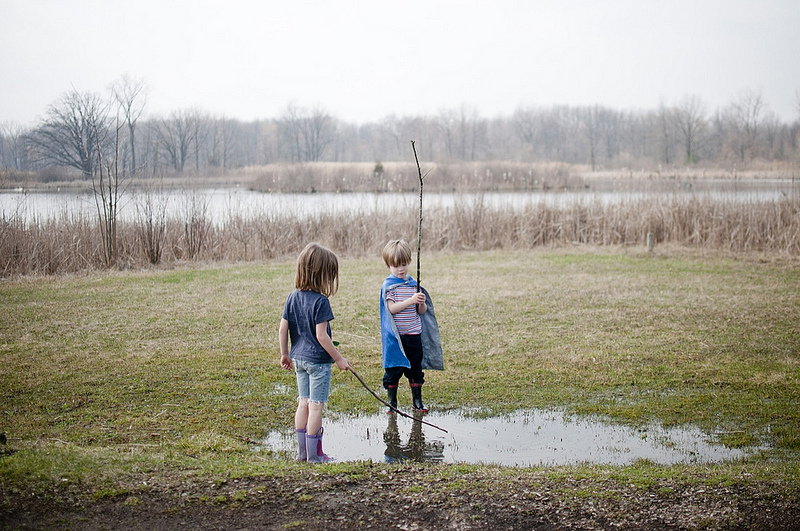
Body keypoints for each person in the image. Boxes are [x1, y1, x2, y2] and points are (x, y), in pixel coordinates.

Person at [279, 243, 351, 463]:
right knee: (316, 405)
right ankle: (314, 456)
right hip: (318, 362)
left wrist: (285, 354)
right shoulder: (321, 302)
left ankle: (302, 453)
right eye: (329, 276)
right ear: (321, 276)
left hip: (298, 358)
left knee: (303, 402)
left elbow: (283, 328)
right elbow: (322, 336)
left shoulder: (293, 296)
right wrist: (338, 358)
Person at [379, 239, 444, 414]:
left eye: (404, 264)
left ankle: (417, 401)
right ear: (388, 266)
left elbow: (421, 311)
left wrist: (421, 303)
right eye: (396, 265)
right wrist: (410, 301)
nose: (401, 269)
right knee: (393, 370)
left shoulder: (413, 285)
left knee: (415, 369)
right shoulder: (390, 287)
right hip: (396, 338)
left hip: (413, 335)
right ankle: (392, 402)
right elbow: (391, 309)